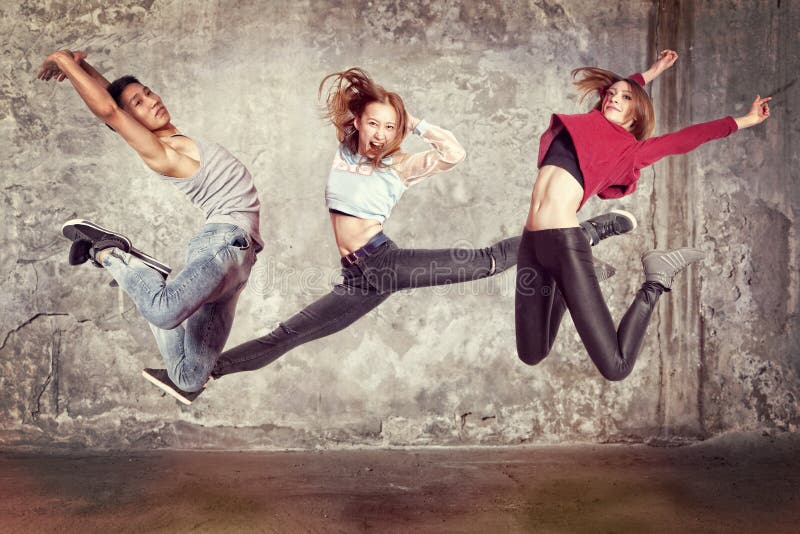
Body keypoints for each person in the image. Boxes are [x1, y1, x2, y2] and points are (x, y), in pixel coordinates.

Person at [150, 67, 638, 404]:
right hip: (359, 277)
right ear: (358, 123)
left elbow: (455, 154)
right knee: (289, 334)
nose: (381, 133)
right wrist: (378, 111)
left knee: (488, 260)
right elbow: (355, 122)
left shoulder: (401, 167)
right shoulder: (345, 152)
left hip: (385, 261)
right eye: (374, 123)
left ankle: (592, 229)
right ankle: (203, 377)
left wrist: (416, 122)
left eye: (390, 126)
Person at [515, 50, 772, 380]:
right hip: (531, 245)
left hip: (565, 244)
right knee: (532, 354)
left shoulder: (629, 152)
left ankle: (655, 280)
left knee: (616, 367)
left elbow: (685, 139)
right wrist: (650, 72)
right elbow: (625, 86)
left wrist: (744, 121)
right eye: (610, 94)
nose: (613, 98)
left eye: (624, 98)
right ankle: (589, 239)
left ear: (635, 117)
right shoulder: (588, 124)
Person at [37, 50, 263, 404]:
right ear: (132, 122)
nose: (151, 101)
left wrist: (82, 69)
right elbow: (112, 112)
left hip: (239, 263)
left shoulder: (179, 138)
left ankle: (150, 274)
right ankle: (111, 254)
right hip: (225, 244)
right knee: (163, 310)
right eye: (139, 104)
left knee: (189, 379)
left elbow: (115, 104)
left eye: (148, 92)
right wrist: (64, 60)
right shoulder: (163, 153)